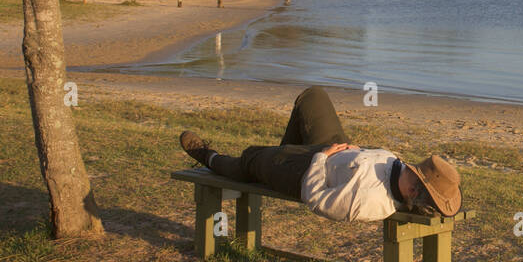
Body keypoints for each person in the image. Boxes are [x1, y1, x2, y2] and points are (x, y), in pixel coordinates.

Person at [179, 85, 461, 223]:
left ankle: (208, 156)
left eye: (414, 174)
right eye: (413, 168)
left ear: (413, 190)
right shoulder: (400, 170)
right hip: (337, 150)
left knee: (250, 159)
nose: (410, 168)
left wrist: (320, 158)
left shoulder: (367, 202)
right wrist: (354, 151)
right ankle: (277, 157)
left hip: (305, 171)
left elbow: (314, 198)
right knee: (313, 97)